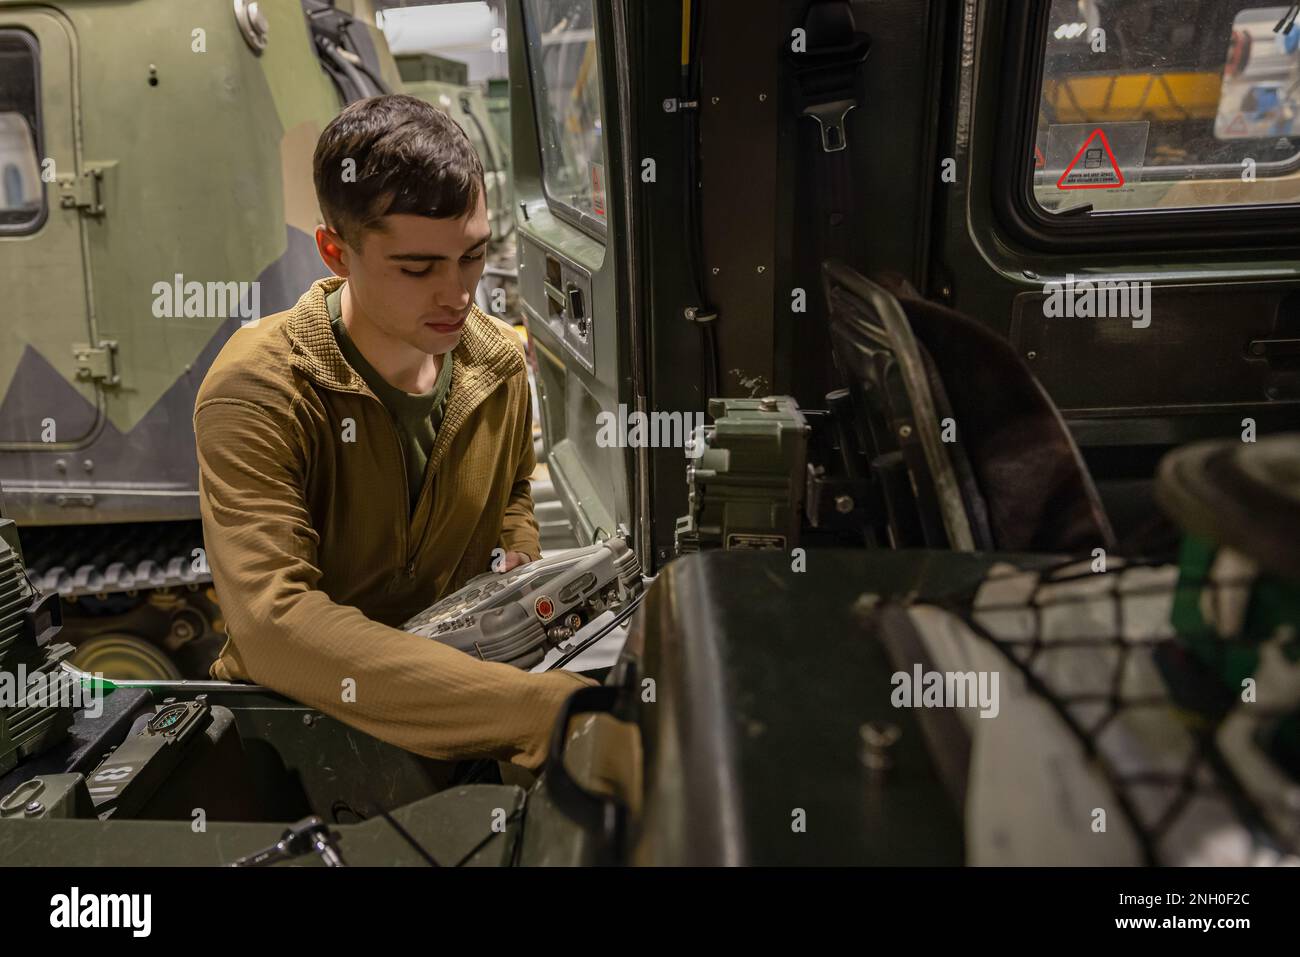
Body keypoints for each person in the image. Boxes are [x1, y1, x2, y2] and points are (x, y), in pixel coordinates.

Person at [193, 94, 594, 771]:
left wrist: (515, 555)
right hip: (302, 747)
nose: (458, 293)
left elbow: (513, 493)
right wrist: (534, 710)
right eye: (417, 268)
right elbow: (274, 625)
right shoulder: (258, 391)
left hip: (462, 720)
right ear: (335, 251)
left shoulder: (496, 364)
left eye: (471, 255)